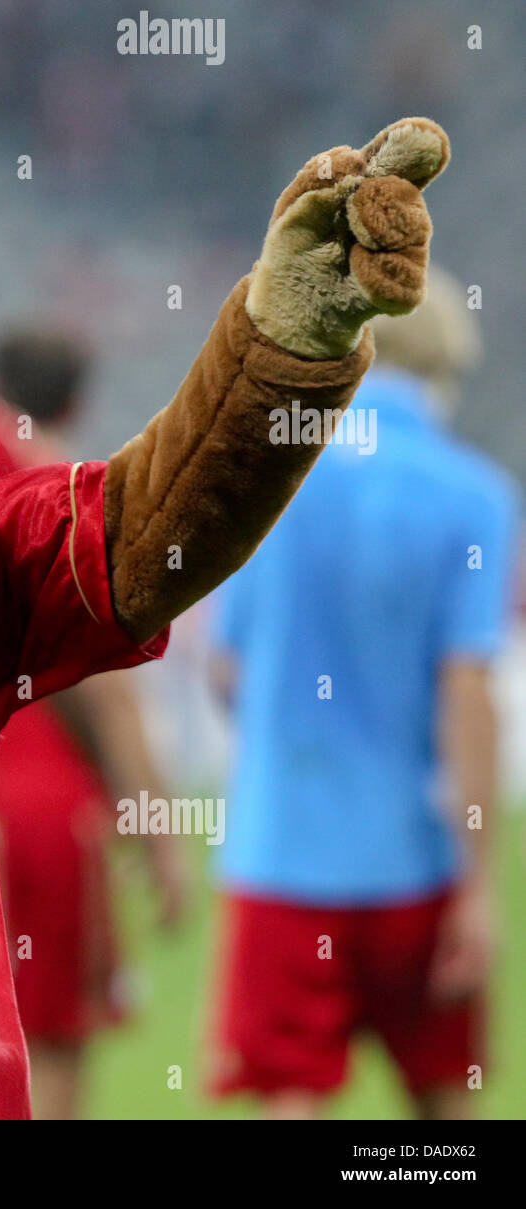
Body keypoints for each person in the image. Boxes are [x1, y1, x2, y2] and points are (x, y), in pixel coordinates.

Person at [209, 269, 519, 1120]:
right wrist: (477, 877)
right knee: (442, 1109)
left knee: (289, 1099)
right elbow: (469, 694)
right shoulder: (475, 495)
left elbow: (226, 669)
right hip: (411, 858)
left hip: (283, 850)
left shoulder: (270, 475)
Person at [0, 279, 187, 1119]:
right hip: (38, 803)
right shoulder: (39, 475)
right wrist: (157, 832)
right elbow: (104, 687)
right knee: (48, 1051)